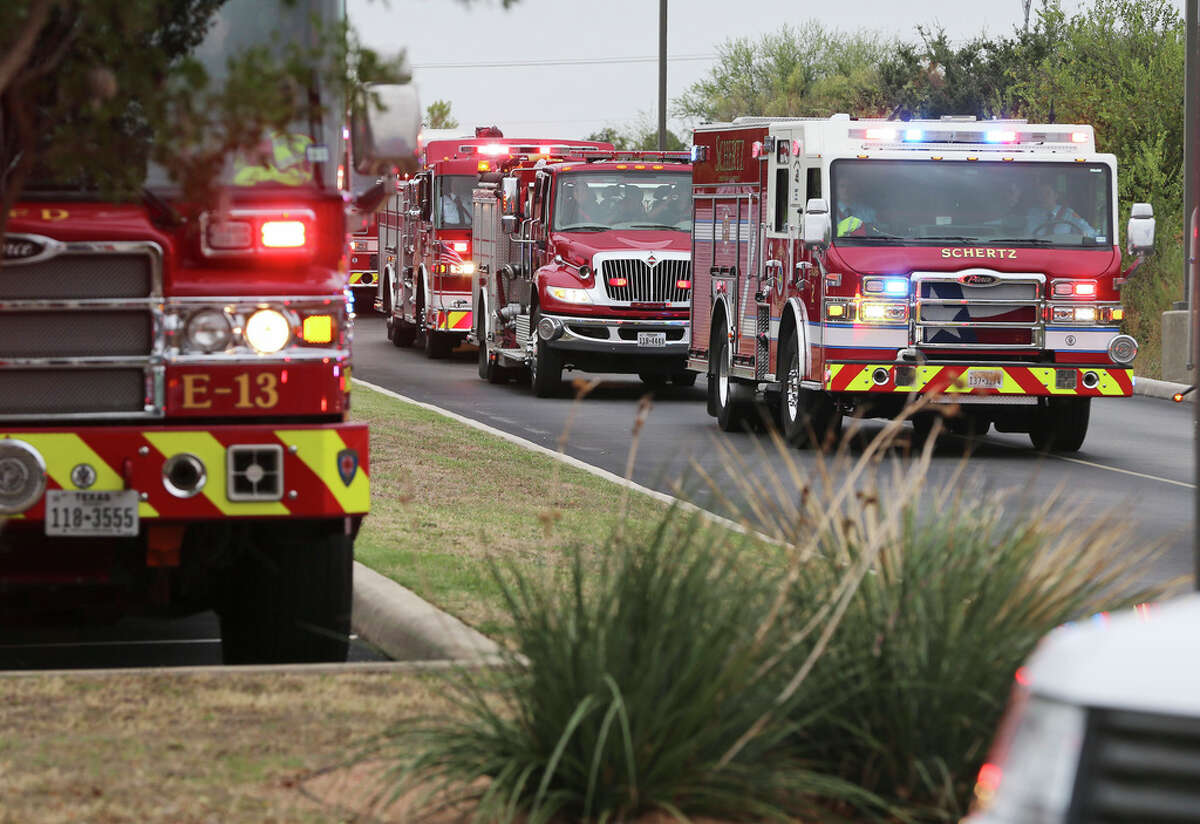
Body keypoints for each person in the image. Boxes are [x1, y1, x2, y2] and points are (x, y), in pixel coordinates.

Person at [1025, 181, 1096, 236]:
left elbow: (1090, 231)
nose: (1043, 197)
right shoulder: (1031, 214)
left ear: (1056, 196)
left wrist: (1083, 234)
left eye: (1047, 193)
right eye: (1040, 194)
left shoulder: (1069, 213)